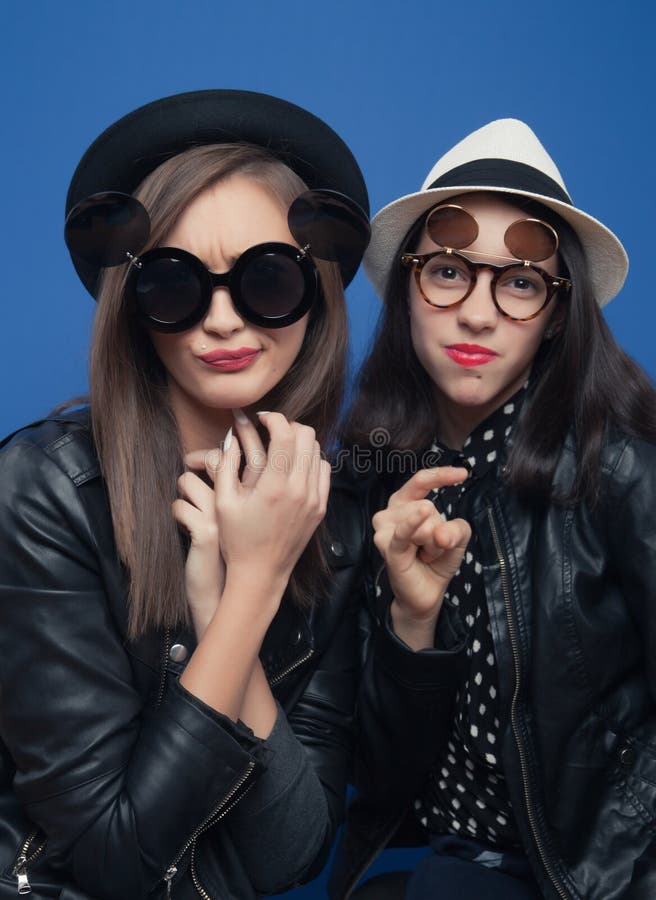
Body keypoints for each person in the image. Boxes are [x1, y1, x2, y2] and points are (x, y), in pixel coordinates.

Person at [0, 89, 371, 899]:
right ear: (135, 310)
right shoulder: (45, 490)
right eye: (175, 286)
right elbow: (113, 859)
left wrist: (222, 601)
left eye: (267, 279)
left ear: (317, 292)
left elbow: (294, 853)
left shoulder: (331, 513)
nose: (224, 321)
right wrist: (255, 587)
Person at [329, 119, 656, 900]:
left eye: (519, 283)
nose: (477, 314)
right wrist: (412, 621)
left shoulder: (621, 468)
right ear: (408, 290)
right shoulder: (375, 479)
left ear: (556, 314)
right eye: (448, 271)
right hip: (445, 863)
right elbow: (376, 771)